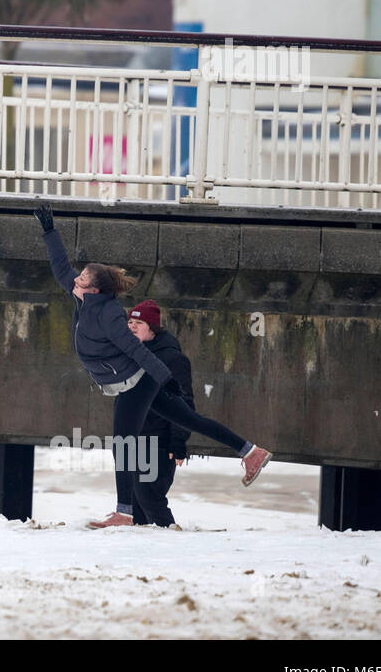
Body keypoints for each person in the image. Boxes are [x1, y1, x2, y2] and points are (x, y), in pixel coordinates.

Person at [34, 205, 271, 528]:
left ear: (95, 289)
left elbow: (134, 348)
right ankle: (250, 451)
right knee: (189, 419)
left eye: (83, 278)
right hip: (132, 381)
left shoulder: (109, 314)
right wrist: (49, 230)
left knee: (122, 442)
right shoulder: (81, 298)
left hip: (136, 382)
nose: (76, 279)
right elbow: (60, 267)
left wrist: (166, 379)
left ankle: (124, 512)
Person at [127, 300, 194, 529]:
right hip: (134, 440)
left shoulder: (172, 359)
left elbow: (184, 402)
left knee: (150, 499)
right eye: (130, 322)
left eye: (139, 322)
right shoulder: (133, 356)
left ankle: (172, 543)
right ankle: (145, 556)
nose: (132, 327)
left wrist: (178, 442)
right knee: (135, 507)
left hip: (158, 443)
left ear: (153, 327)